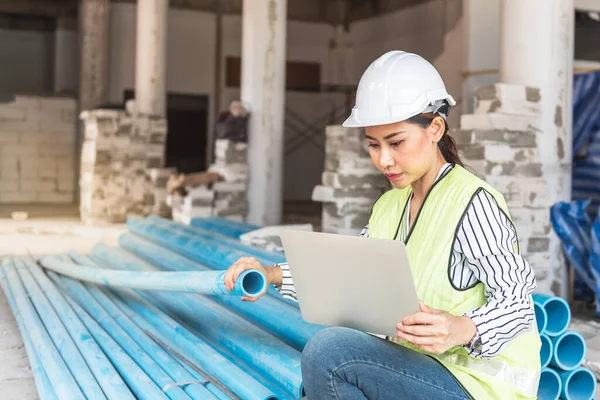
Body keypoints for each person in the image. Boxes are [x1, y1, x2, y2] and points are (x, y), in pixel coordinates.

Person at [224, 51, 541, 400]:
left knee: (331, 355)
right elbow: (348, 279)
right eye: (373, 145)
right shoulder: (391, 205)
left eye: (396, 142)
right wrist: (269, 274)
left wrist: (462, 328)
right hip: (424, 371)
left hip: (477, 387)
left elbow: (518, 303)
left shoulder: (472, 202)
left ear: (435, 128)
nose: (383, 159)